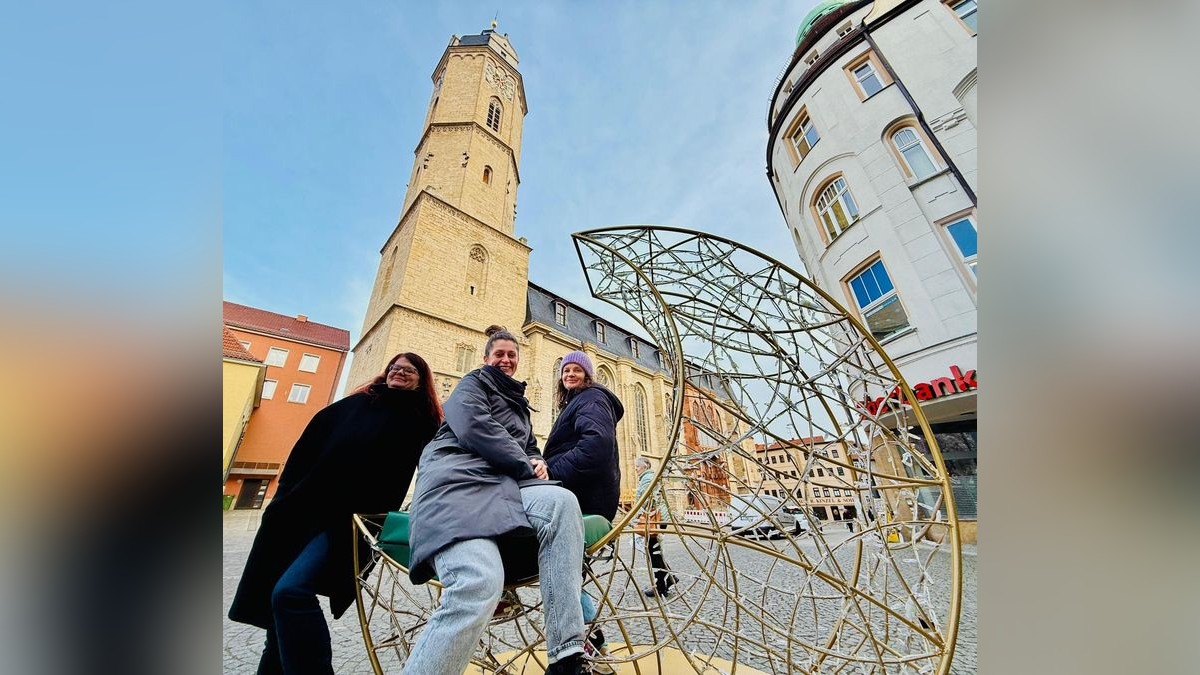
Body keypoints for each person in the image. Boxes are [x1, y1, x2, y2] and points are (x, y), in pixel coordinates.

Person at [229, 352, 443, 675]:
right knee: (277, 620)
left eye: (409, 370)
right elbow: (304, 450)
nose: (399, 372)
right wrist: (282, 498)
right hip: (297, 514)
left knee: (290, 592)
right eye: (395, 367)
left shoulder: (422, 421)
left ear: (421, 380)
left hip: (345, 524)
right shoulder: (353, 405)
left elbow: (440, 465)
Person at [404, 326, 588, 675]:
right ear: (486, 358)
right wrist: (524, 464)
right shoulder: (472, 383)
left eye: (511, 355)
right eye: (499, 354)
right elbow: (475, 426)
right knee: (478, 583)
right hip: (459, 484)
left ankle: (566, 655)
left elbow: (529, 448)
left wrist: (538, 461)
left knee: (561, 503)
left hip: (504, 486)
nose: (506, 359)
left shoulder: (520, 405)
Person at [541, 350, 623, 671]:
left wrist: (549, 471)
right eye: (566, 370)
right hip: (584, 497)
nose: (570, 374)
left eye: (577, 370)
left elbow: (595, 448)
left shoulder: (591, 399)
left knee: (562, 572)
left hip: (584, 499)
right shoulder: (579, 402)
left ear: (588, 375)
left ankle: (580, 651)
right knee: (570, 577)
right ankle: (596, 645)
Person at [634, 455, 678, 598]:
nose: (636, 469)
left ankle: (660, 586)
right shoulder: (648, 477)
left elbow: (648, 499)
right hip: (658, 518)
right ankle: (669, 578)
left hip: (655, 519)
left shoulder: (647, 478)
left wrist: (637, 513)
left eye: (637, 467)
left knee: (653, 552)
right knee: (655, 551)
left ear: (645, 466)